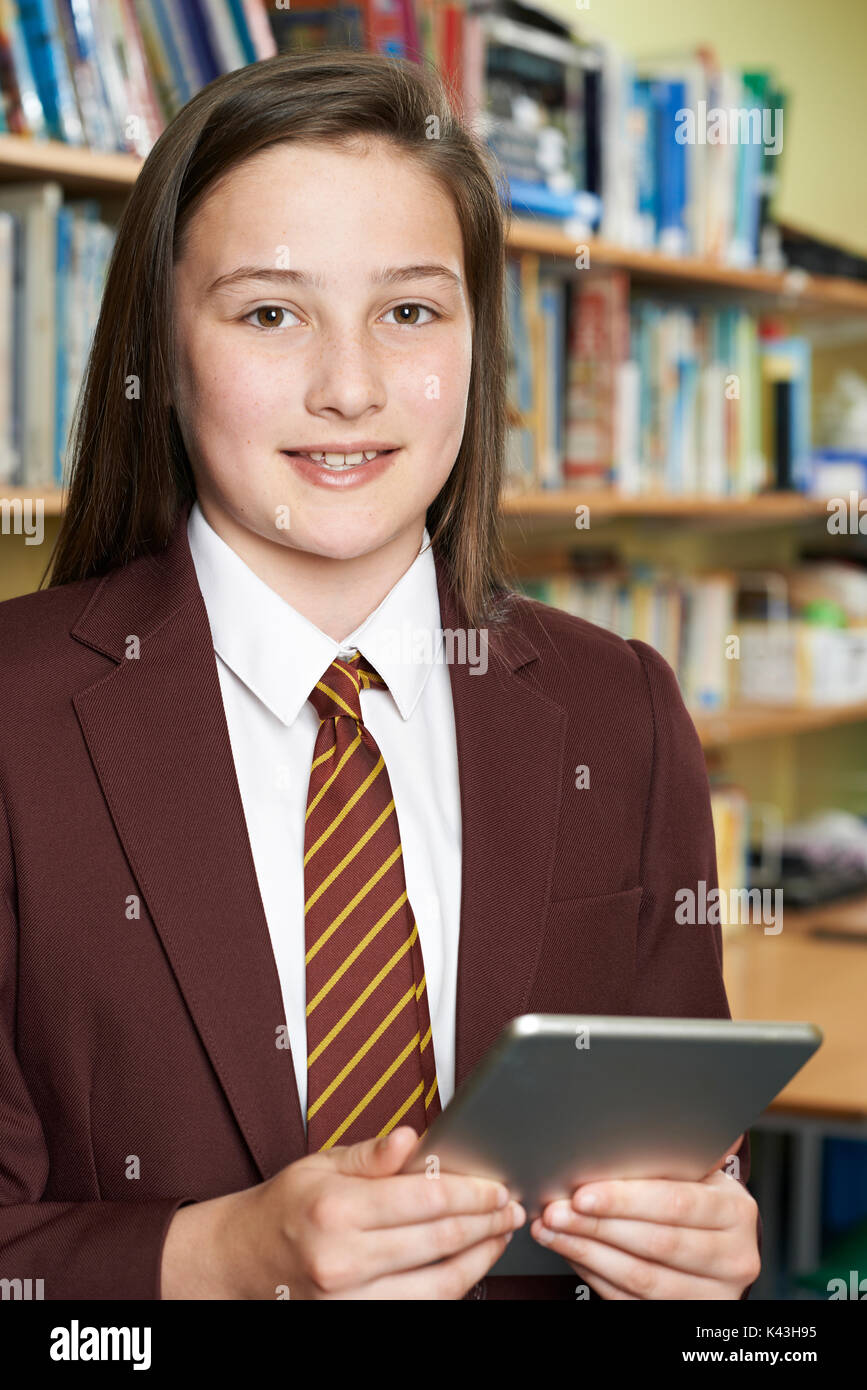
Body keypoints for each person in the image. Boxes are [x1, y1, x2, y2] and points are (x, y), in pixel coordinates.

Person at [0, 50, 760, 1301]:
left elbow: (678, 1160)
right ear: (163, 349)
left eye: (410, 311)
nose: (350, 389)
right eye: (269, 312)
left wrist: (691, 1259)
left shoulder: (620, 709)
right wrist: (217, 1260)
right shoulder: (18, 723)